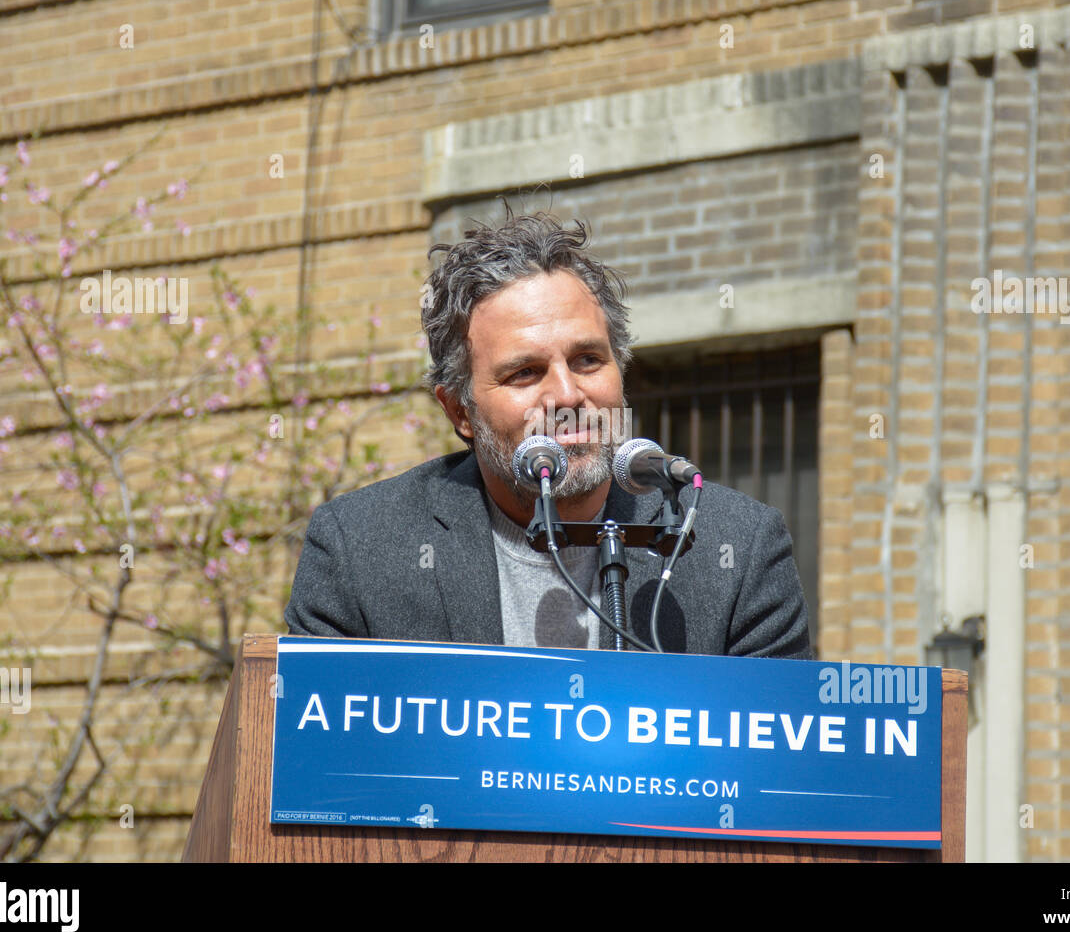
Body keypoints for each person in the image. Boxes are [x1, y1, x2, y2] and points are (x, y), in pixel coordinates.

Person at [283, 210, 811, 658]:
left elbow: (778, 769)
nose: (566, 395)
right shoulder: (360, 549)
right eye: (524, 373)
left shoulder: (739, 549)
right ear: (459, 412)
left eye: (587, 360)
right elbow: (325, 767)